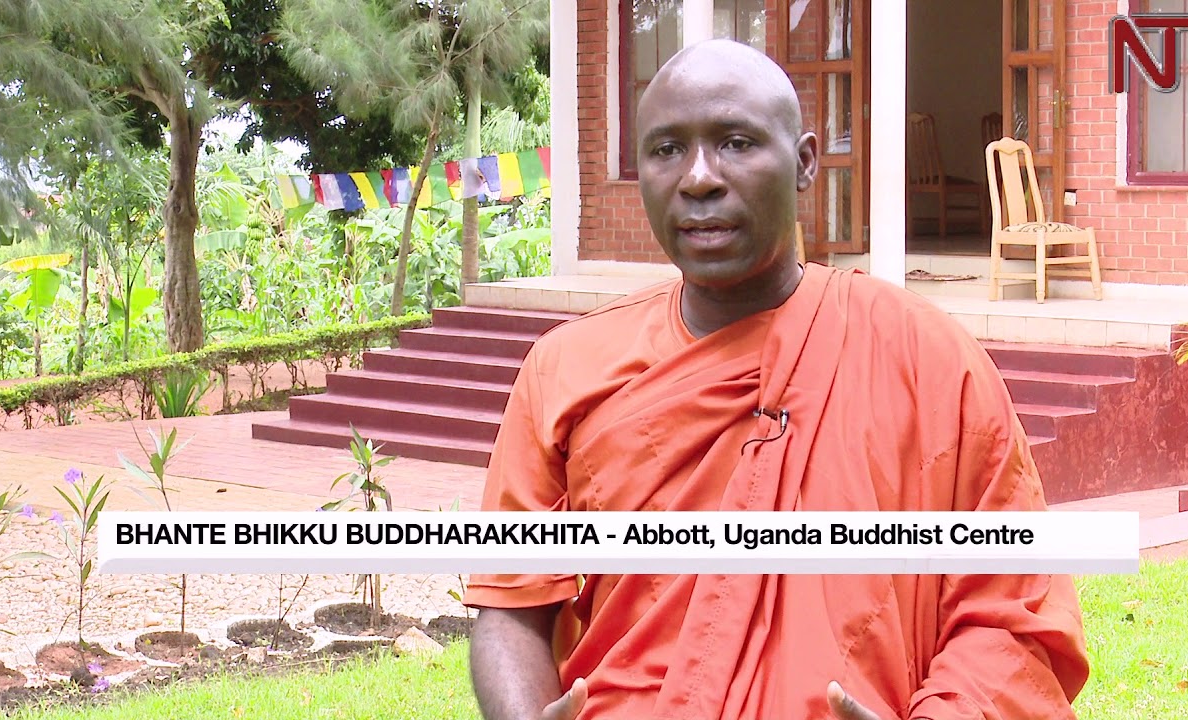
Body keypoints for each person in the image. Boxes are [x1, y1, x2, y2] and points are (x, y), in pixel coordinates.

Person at [464, 38, 1089, 720]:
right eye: (666, 149)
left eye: (736, 142)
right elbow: (509, 604)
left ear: (805, 162)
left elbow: (1014, 606)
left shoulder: (927, 358)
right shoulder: (564, 369)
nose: (698, 177)